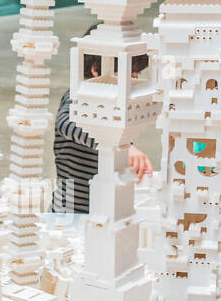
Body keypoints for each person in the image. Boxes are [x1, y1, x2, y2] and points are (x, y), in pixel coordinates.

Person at [52, 27, 152, 212]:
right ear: (97, 70)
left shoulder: (118, 105)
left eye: (135, 77)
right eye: (126, 76)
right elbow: (65, 123)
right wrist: (120, 144)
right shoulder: (77, 97)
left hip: (103, 205)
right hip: (73, 209)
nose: (131, 84)